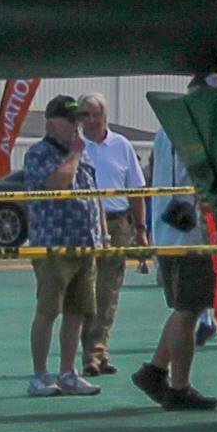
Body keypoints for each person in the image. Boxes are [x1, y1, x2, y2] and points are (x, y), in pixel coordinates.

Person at [18, 94, 106, 395]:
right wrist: (74, 155)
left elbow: (94, 196)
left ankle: (68, 372)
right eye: (70, 120)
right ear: (51, 122)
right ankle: (39, 375)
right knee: (48, 311)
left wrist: (102, 234)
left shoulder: (83, 153)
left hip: (84, 244)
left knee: (78, 312)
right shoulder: (39, 154)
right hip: (53, 245)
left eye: (78, 120)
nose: (75, 126)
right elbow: (58, 183)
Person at [133, 185, 217, 411]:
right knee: (189, 309)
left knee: (189, 308)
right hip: (187, 233)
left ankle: (155, 370)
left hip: (175, 230)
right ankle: (179, 388)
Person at [75, 95, 143, 378]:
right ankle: (90, 353)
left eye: (96, 114)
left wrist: (141, 229)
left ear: (105, 116)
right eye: (85, 114)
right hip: (85, 225)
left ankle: (99, 351)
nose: (91, 120)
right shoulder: (76, 147)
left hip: (118, 224)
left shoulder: (122, 145)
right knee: (87, 291)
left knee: (109, 291)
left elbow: (137, 190)